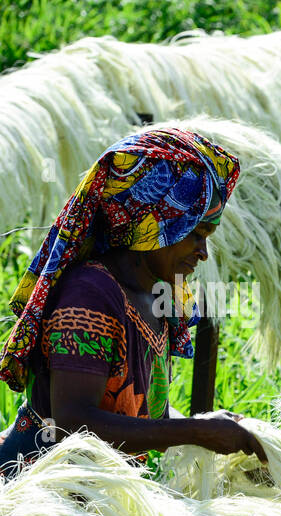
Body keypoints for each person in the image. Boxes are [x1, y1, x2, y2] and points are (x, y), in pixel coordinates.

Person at [0, 127, 266, 474]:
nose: (202, 252)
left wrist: (204, 425)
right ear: (153, 221)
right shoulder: (90, 296)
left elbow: (135, 412)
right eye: (195, 233)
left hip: (99, 494)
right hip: (35, 491)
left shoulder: (155, 295)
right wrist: (196, 431)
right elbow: (73, 423)